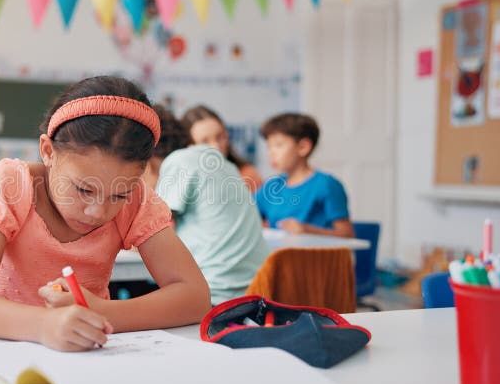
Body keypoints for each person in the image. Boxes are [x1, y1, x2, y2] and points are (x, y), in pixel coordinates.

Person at [0, 76, 211, 351]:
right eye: (83, 189)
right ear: (48, 151)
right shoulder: (9, 184)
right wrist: (44, 325)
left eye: (119, 195)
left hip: (82, 359)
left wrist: (103, 312)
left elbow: (195, 297)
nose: (98, 212)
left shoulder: (137, 199)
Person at [144, 106, 269, 305]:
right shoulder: (227, 165)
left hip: (214, 296)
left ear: (146, 162)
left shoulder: (179, 161)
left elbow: (149, 230)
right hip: (257, 291)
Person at [255, 113, 354, 238]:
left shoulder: (326, 185)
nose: (271, 153)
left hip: (314, 251)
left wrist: (307, 230)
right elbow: (247, 216)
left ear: (303, 147)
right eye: (269, 147)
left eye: (278, 145)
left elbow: (347, 235)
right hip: (278, 250)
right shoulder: (270, 186)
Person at [181, 105, 263, 193]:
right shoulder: (181, 182)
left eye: (219, 137)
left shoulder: (248, 176)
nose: (216, 147)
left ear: (227, 135)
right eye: (205, 142)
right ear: (189, 147)